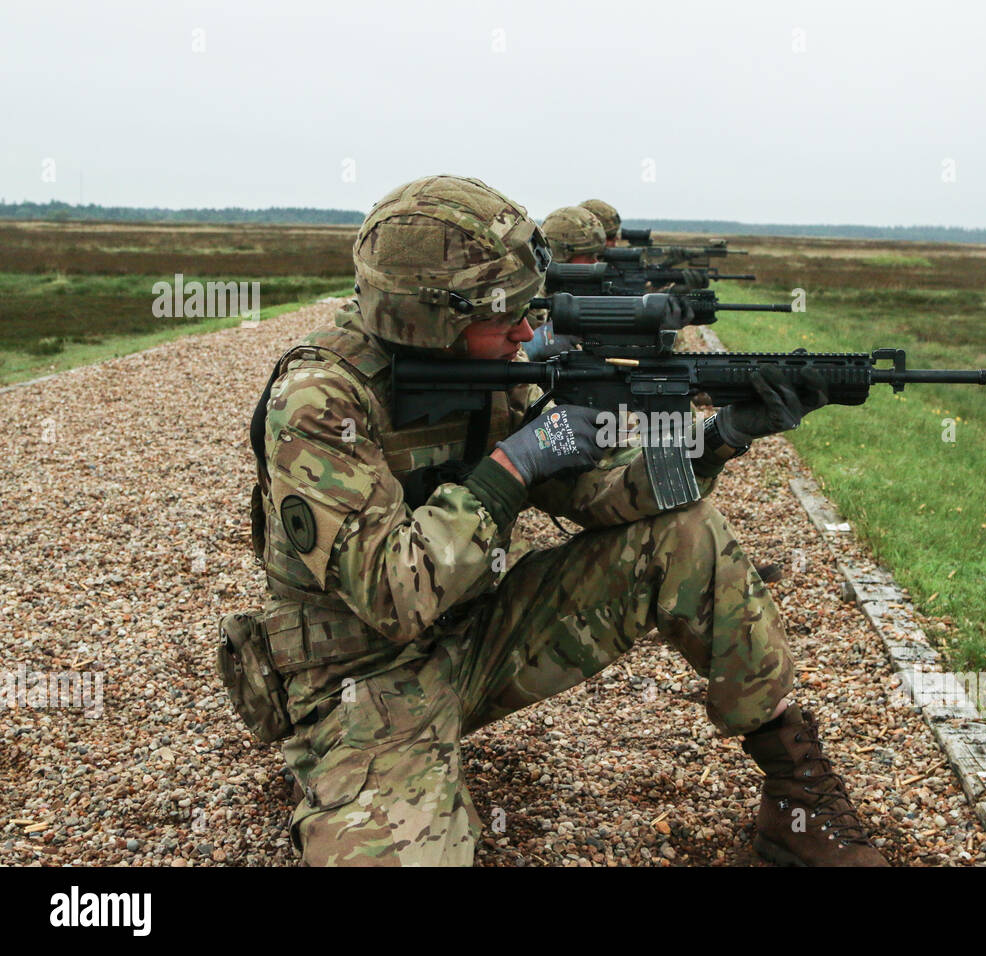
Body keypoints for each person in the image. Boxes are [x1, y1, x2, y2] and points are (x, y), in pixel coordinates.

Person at [246, 174, 889, 867]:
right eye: (507, 318)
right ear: (434, 318)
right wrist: (514, 465)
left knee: (683, 533)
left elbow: (601, 492)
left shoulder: (489, 364)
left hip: (477, 636)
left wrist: (721, 435)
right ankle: (352, 778)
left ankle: (799, 798)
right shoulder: (318, 401)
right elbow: (394, 595)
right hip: (360, 678)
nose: (528, 331)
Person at [522, 205, 608, 359]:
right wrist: (542, 340)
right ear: (560, 255)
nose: (595, 264)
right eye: (589, 257)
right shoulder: (525, 290)